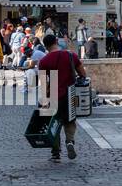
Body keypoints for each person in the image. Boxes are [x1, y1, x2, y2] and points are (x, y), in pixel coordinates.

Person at [36, 32, 86, 163]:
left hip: (53, 95)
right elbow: (82, 73)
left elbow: (43, 82)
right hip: (70, 93)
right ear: (56, 42)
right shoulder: (70, 55)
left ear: (45, 46)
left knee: (55, 124)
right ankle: (70, 141)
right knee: (70, 121)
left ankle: (56, 153)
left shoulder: (44, 61)